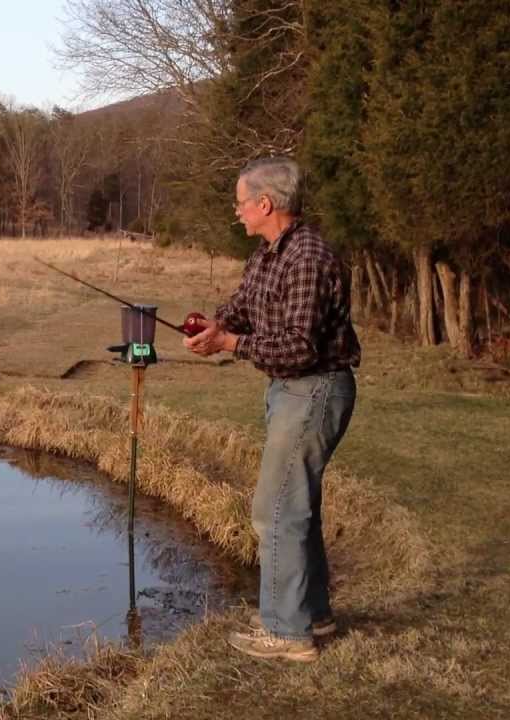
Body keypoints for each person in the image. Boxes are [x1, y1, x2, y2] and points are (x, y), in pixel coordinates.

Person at [184, 156, 361, 662]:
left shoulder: (306, 256)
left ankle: (286, 634)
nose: (236, 213)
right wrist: (214, 327)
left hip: (313, 387)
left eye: (241, 203)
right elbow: (242, 305)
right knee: (297, 506)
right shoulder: (268, 255)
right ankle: (314, 615)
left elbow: (300, 346)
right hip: (290, 390)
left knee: (275, 510)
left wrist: (232, 344)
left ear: (265, 204)